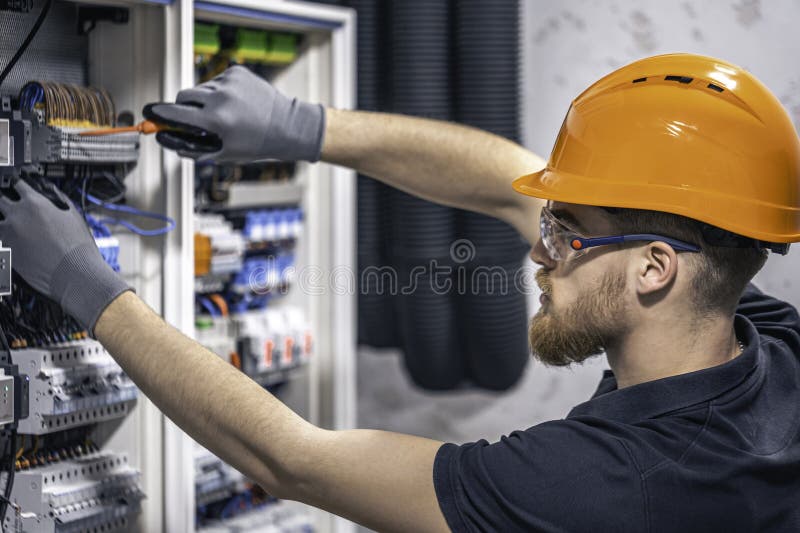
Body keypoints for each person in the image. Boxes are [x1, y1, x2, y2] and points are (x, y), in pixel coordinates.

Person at [1, 53, 799, 532]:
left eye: (567, 234)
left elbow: (290, 459)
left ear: (656, 267)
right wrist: (299, 126)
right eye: (551, 222)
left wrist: (83, 280)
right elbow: (508, 184)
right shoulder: (765, 346)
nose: (539, 251)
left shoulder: (613, 486)